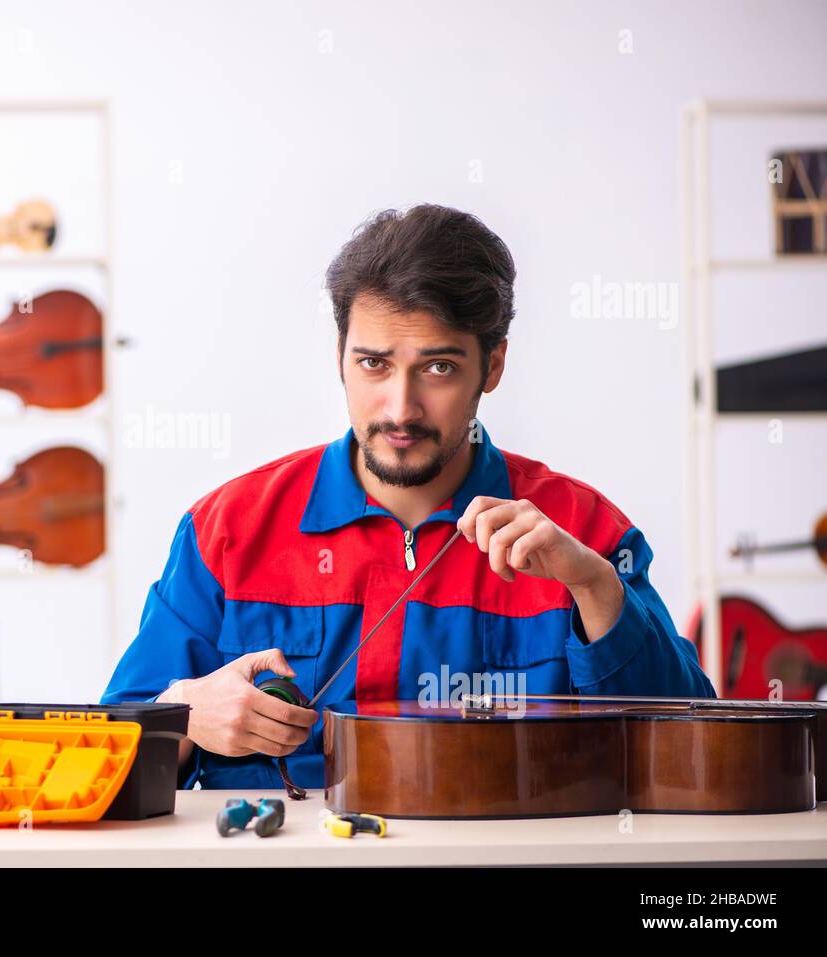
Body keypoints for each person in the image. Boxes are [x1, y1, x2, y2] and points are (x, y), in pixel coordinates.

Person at [101, 204, 716, 791]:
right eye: (373, 364)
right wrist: (179, 713)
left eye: (438, 368)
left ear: (493, 366)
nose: (400, 408)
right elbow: (112, 761)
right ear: (338, 358)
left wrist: (595, 589)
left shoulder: (586, 532)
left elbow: (695, 753)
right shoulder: (228, 530)